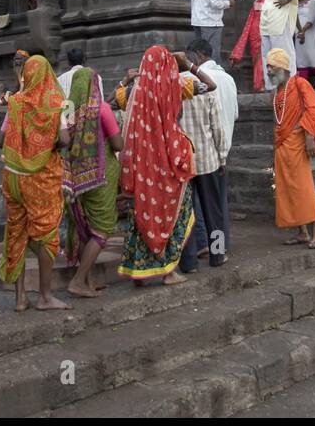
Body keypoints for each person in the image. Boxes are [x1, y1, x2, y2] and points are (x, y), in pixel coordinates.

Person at [118, 46, 199, 285]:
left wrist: (126, 78)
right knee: (171, 214)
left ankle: (138, 274)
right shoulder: (176, 84)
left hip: (142, 165)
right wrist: (188, 66)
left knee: (142, 214)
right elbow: (209, 86)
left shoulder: (135, 90)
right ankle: (168, 272)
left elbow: (115, 98)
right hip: (169, 163)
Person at [0, 55, 70, 311]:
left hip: (13, 176)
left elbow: (2, 139)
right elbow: (63, 140)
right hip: (40, 178)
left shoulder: (15, 102)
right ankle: (45, 296)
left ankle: (19, 299)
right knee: (46, 234)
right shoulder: (55, 103)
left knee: (17, 230)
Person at [62, 66, 123, 298]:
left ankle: (87, 279)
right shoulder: (102, 108)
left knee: (83, 225)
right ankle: (77, 281)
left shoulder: (67, 109)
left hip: (74, 178)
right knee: (103, 228)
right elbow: (117, 145)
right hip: (100, 176)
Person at [266, 48, 315, 248]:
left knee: (304, 187)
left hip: (299, 143)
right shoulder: (276, 92)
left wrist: (309, 135)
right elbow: (279, 120)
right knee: (288, 189)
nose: (268, 71)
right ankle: (302, 232)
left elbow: (314, 110)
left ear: (283, 68)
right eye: (267, 67)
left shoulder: (300, 83)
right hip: (282, 145)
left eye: (271, 67)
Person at [178, 64, 231, 270]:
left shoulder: (172, 90)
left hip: (182, 163)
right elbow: (217, 127)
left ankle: (189, 261)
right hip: (208, 160)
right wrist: (222, 156)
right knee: (214, 212)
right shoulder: (202, 88)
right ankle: (217, 255)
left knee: (185, 213)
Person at [259, 0, 309, 84]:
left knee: (284, 53)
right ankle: (272, 87)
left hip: (281, 21)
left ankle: (290, 84)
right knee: (267, 56)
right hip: (266, 21)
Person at [231, 0, 266, 92]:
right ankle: (260, 84)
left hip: (260, 29)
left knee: (260, 58)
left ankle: (261, 84)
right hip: (259, 30)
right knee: (259, 59)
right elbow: (259, 12)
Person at [295, 0, 315, 82]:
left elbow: (312, 18)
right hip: (299, 36)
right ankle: (302, 84)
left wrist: (303, 30)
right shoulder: (295, 4)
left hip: (310, 35)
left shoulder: (312, 2)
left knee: (313, 57)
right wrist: (300, 32)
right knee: (301, 60)